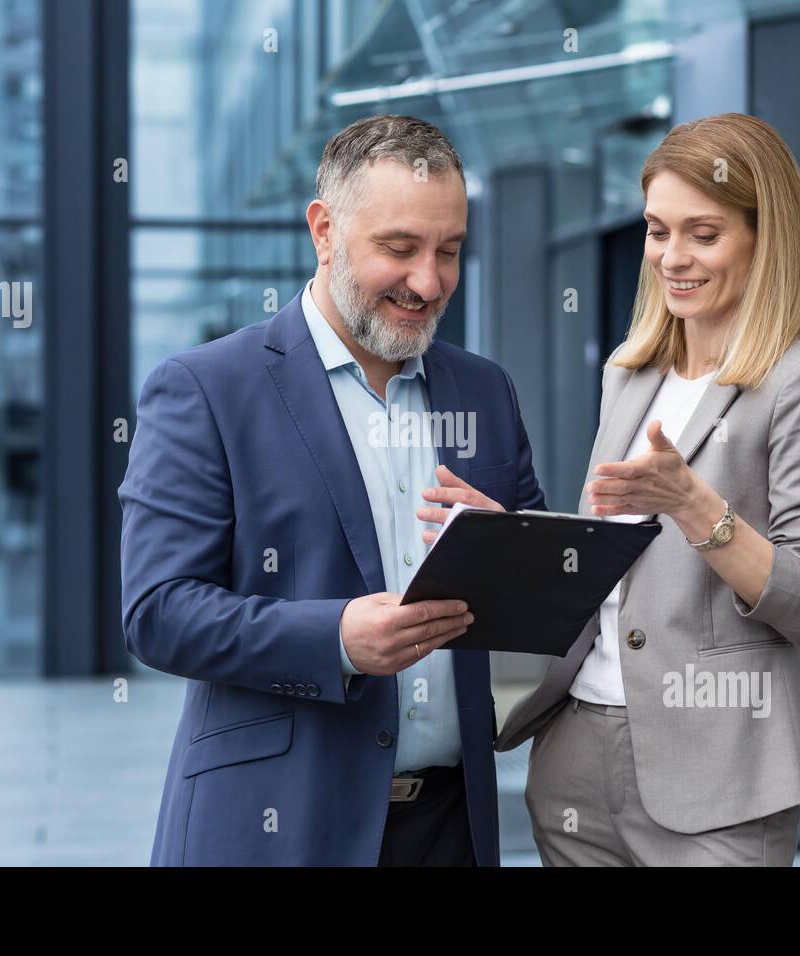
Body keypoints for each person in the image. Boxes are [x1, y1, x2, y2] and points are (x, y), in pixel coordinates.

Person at [420, 113, 800, 866]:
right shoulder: (630, 376)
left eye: (704, 232)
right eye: (658, 231)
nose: (673, 256)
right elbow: (612, 569)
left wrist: (695, 505)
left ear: (766, 240)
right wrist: (506, 539)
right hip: (577, 755)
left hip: (721, 774)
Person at [119, 114, 545, 866]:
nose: (429, 281)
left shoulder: (484, 391)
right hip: (276, 826)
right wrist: (336, 640)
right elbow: (158, 612)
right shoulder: (206, 389)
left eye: (449, 251)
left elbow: (545, 598)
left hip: (452, 829)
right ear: (323, 230)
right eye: (400, 249)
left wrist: (513, 549)